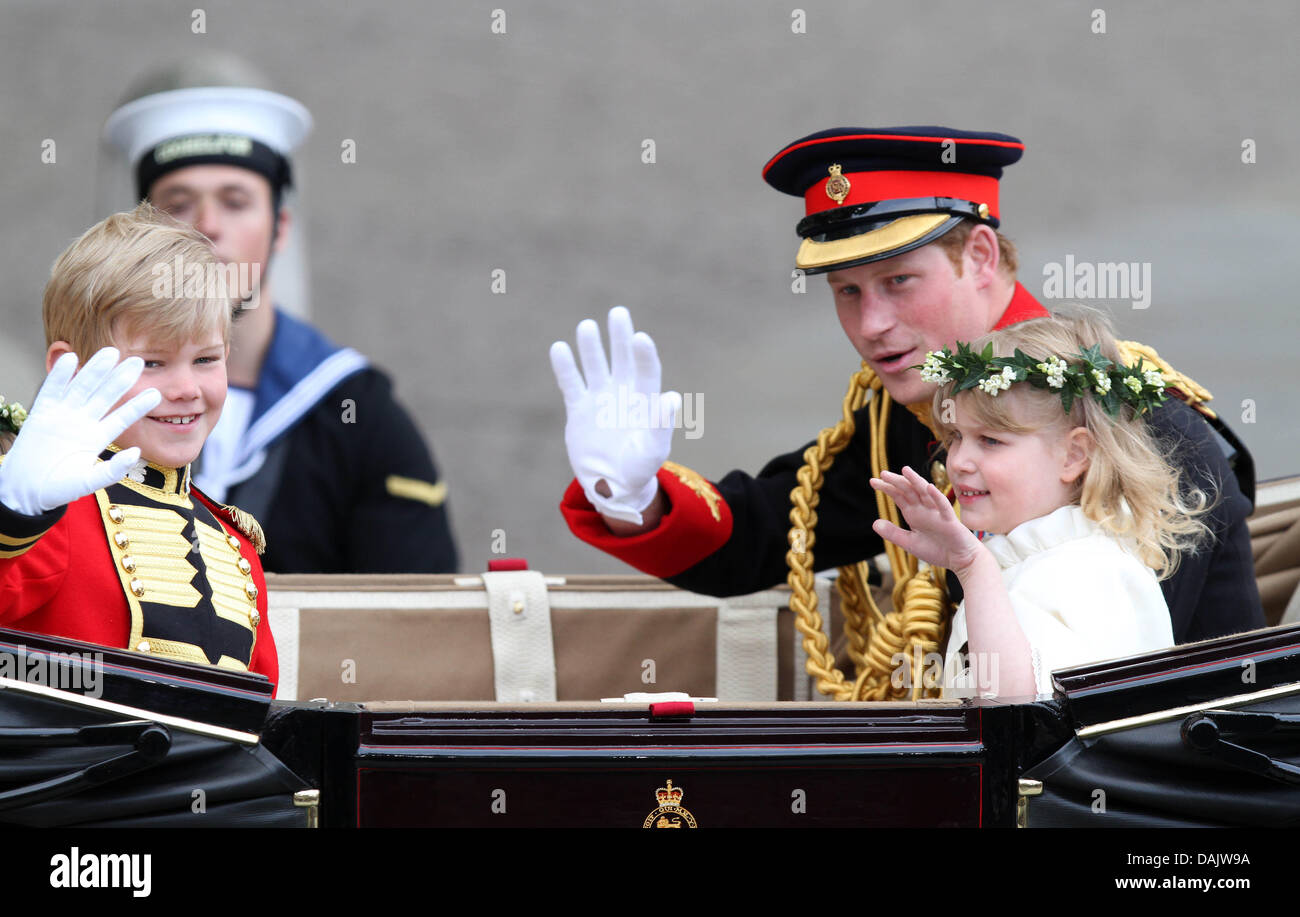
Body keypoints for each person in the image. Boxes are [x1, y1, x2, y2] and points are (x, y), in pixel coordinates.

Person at [551, 126, 1263, 699]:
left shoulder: (1142, 429)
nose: (872, 325)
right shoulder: (909, 419)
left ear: (980, 256)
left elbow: (1096, 697)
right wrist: (633, 494)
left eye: (898, 281)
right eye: (847, 291)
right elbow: (770, 533)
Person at [102, 80, 458, 574]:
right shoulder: (95, 395)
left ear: (281, 228)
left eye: (236, 201)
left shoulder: (359, 414)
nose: (208, 226)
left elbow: (417, 620)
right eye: (179, 204)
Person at [0, 203, 277, 687]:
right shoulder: (41, 508)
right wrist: (13, 515)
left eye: (206, 359)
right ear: (73, 365)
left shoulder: (235, 546)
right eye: (152, 363)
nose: (186, 388)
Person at [870, 311, 1205, 697]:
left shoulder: (1093, 573)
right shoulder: (1041, 561)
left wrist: (971, 567)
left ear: (1073, 455)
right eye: (956, 436)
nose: (957, 460)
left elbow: (1019, 716)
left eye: (991, 441)